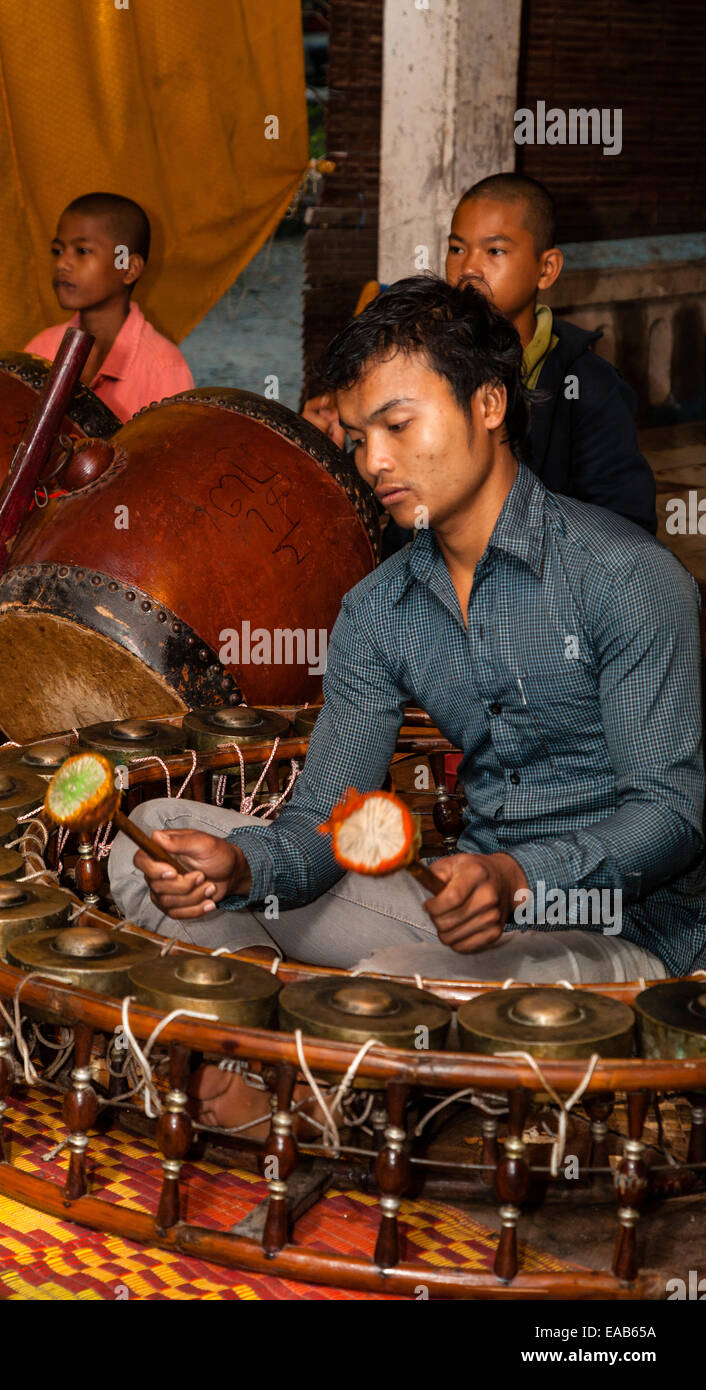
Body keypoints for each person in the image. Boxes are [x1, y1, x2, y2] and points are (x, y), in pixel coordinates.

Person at [109, 275, 706, 989]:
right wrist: (240, 869)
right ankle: (252, 1045)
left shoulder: (626, 576)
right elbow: (321, 829)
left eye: (398, 426)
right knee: (155, 842)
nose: (373, 462)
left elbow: (670, 816)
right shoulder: (379, 609)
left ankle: (304, 1055)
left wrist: (515, 878)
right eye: (360, 438)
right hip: (458, 920)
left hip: (622, 931)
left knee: (390, 981)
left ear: (489, 402)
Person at [303, 173, 657, 551]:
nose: (469, 268)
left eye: (495, 251)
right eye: (457, 249)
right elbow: (381, 493)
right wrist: (326, 454)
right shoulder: (424, 364)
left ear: (547, 268)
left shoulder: (588, 387)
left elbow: (625, 530)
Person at [25, 192, 193, 422]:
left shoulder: (163, 368)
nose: (62, 263)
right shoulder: (41, 350)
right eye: (57, 250)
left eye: (82, 251)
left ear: (128, 268)